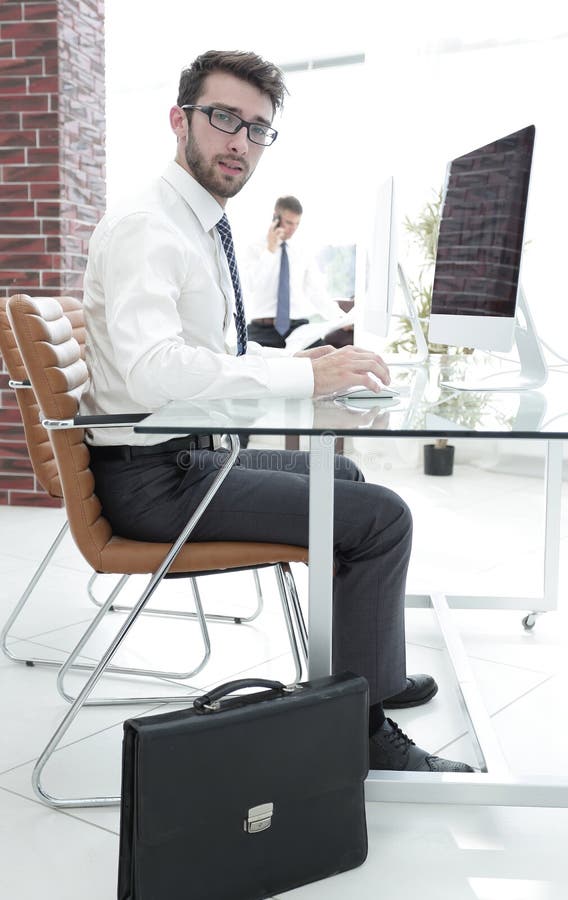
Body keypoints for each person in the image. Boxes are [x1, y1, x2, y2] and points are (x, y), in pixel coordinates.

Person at [81, 49, 473, 773]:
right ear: (181, 120)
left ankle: (365, 681)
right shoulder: (150, 227)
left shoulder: (196, 222)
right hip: (153, 476)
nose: (240, 142)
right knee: (382, 517)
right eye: (223, 119)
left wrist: (310, 370)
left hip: (184, 454)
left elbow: (205, 358)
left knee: (347, 483)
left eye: (257, 129)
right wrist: (301, 375)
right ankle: (358, 733)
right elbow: (149, 374)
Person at [244, 195, 353, 350]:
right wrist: (270, 250)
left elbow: (316, 293)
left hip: (298, 328)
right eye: (289, 223)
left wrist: (343, 319)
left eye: (297, 224)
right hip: (263, 330)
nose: (292, 229)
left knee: (328, 356)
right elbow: (252, 284)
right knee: (250, 365)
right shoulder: (255, 248)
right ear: (276, 216)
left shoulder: (301, 251)